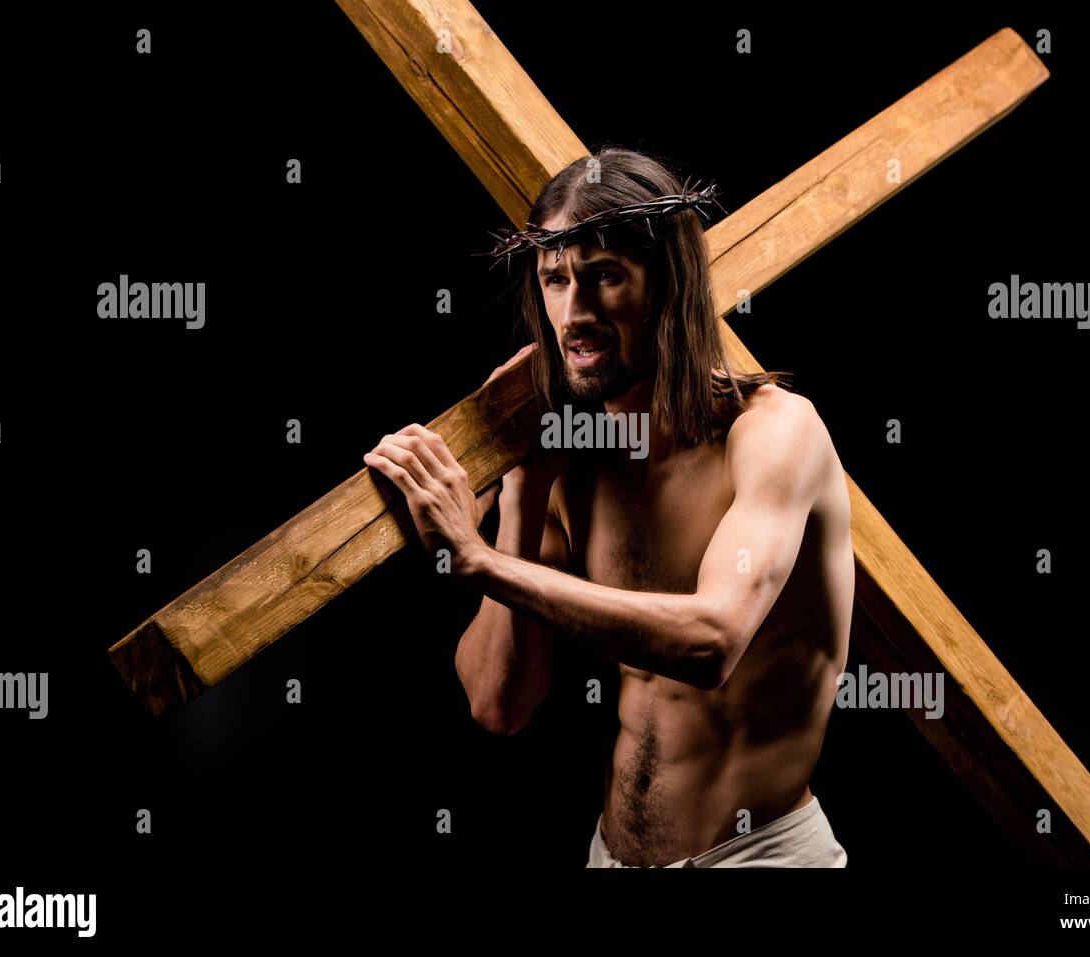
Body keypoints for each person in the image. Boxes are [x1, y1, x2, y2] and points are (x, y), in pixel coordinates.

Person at [365, 148, 853, 867]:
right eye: (555, 281)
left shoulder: (774, 434)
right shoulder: (576, 470)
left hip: (763, 857)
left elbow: (711, 641)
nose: (573, 314)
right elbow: (499, 706)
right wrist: (524, 493)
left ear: (670, 285)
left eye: (603, 278)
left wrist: (478, 560)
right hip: (611, 854)